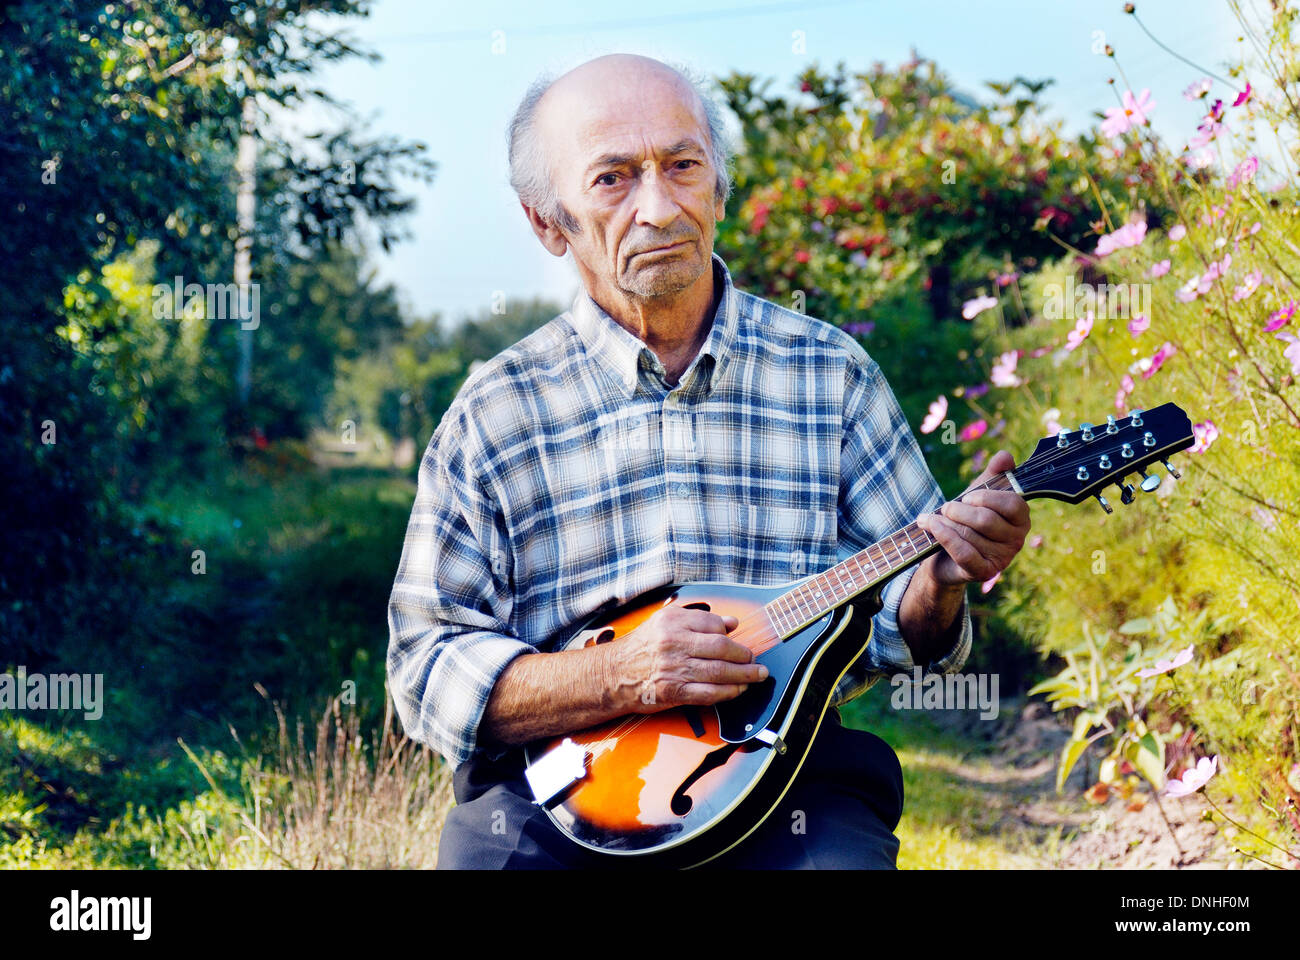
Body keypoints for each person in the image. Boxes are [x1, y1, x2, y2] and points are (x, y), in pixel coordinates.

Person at [386, 53, 1031, 869]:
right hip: (559, 793)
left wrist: (940, 581)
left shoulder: (829, 375)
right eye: (613, 180)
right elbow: (424, 665)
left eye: (683, 166)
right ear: (549, 223)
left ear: (719, 189)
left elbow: (915, 630)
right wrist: (616, 678)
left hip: (783, 774)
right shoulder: (495, 412)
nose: (659, 208)